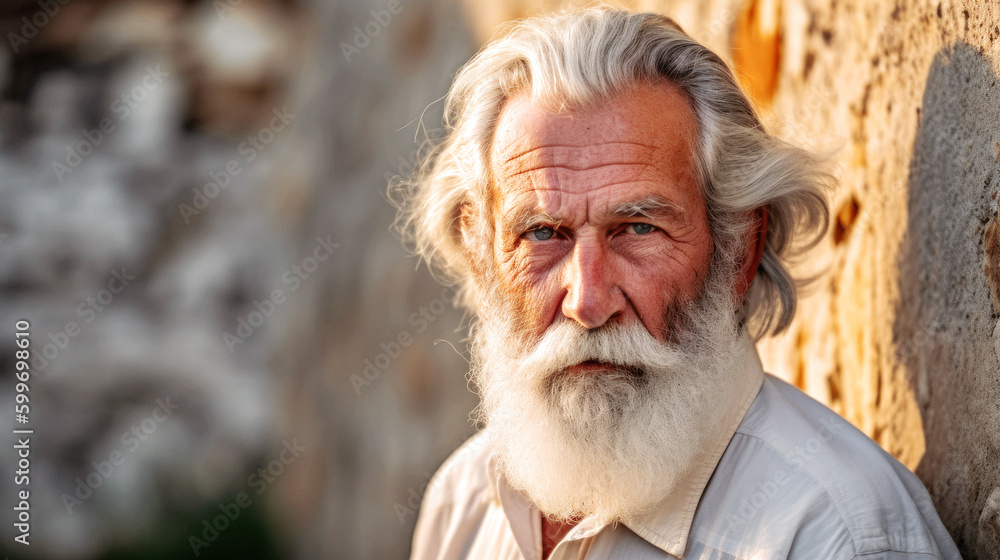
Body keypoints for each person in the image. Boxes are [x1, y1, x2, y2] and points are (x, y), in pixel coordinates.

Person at [393, 7, 961, 560]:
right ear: (481, 254)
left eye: (638, 228)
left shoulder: (835, 536)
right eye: (543, 233)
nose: (588, 302)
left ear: (739, 249)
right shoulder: (464, 502)